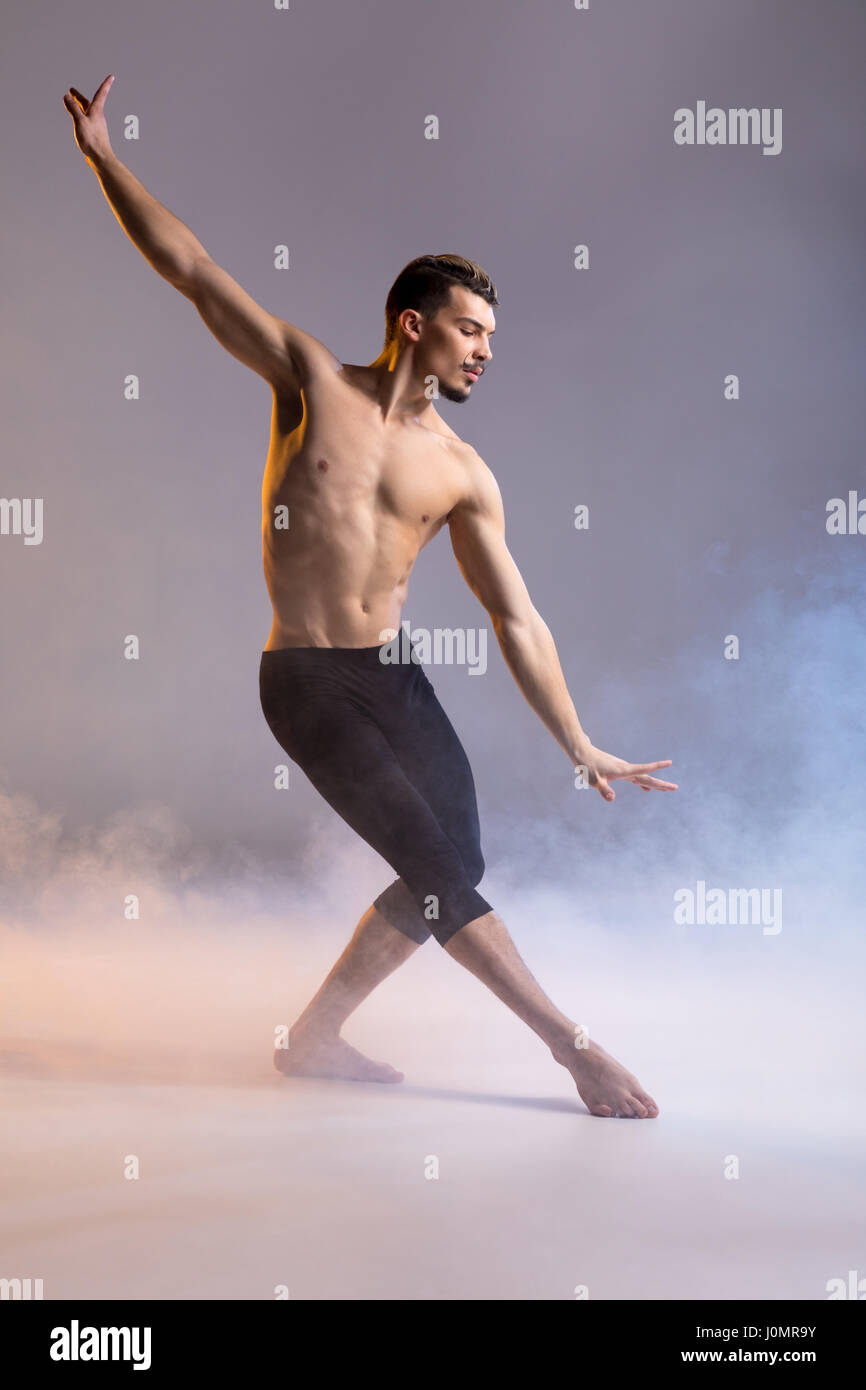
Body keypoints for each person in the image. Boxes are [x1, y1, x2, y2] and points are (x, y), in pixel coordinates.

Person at [64, 75, 677, 1118]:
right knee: (437, 867)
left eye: (490, 334)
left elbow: (513, 616)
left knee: (454, 858)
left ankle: (311, 1038)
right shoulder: (308, 380)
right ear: (413, 323)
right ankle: (570, 1046)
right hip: (304, 677)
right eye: (470, 328)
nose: (485, 347)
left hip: (391, 675)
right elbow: (192, 270)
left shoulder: (462, 471)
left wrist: (576, 742)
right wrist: (105, 160)